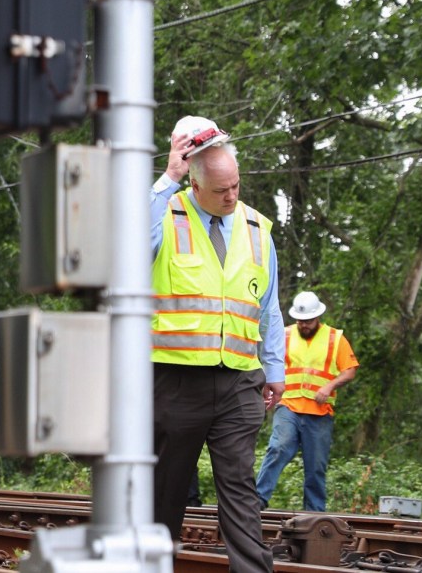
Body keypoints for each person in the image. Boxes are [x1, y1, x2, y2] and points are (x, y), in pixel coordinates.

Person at [150, 115, 285, 573]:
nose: (232, 195)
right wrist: (166, 180)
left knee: (239, 488)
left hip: (239, 384)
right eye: (222, 189)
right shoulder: (164, 212)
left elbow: (268, 309)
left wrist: (276, 370)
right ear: (194, 181)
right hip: (175, 381)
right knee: (165, 492)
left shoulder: (257, 228)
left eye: (236, 185)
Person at [255, 291, 358, 512]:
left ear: (318, 317)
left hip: (319, 412)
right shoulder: (283, 335)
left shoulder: (334, 338)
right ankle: (257, 500)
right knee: (278, 448)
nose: (304, 326)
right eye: (301, 321)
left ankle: (314, 512)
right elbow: (269, 362)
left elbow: (349, 371)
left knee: (316, 465)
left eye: (308, 321)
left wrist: (329, 386)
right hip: (289, 406)